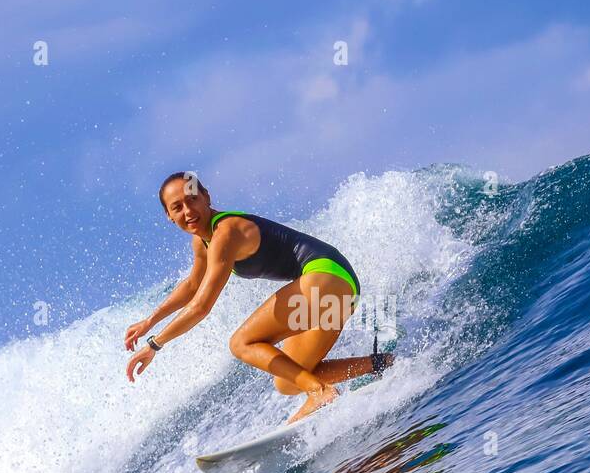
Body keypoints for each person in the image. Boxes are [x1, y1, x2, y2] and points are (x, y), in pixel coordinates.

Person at [125, 172, 392, 423]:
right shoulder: (202, 242)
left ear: (206, 196)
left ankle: (320, 391)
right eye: (177, 207)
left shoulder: (225, 233)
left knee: (242, 343)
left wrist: (154, 345)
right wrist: (150, 321)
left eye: (192, 199)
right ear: (169, 216)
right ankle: (382, 364)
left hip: (326, 277)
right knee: (289, 380)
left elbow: (201, 306)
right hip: (343, 289)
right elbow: (193, 285)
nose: (188, 211)